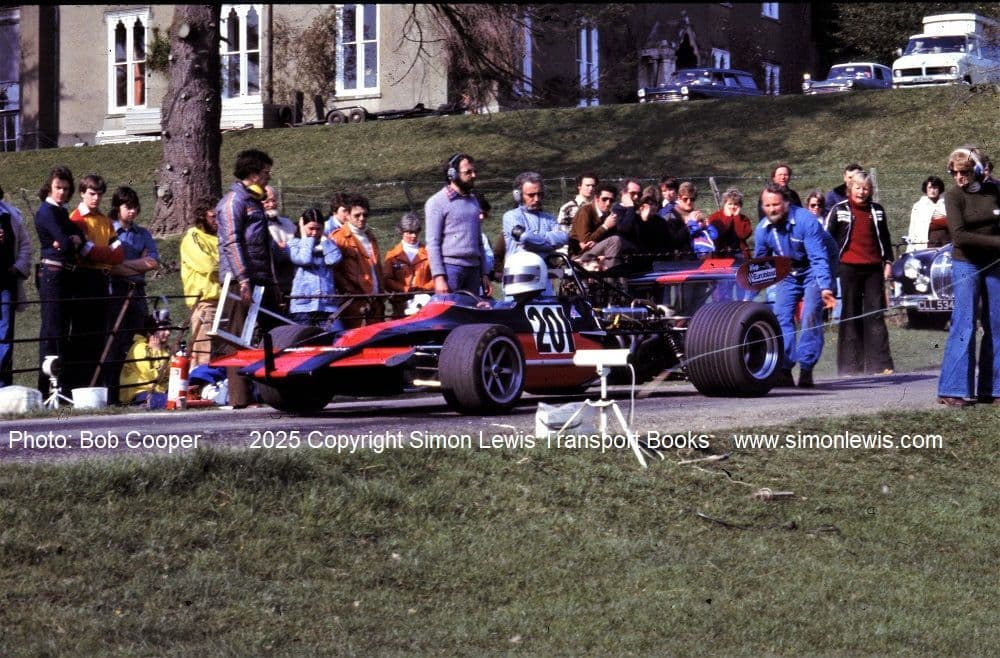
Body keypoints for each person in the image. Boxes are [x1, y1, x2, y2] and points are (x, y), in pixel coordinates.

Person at [754, 183, 838, 388]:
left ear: (786, 203)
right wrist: (751, 290)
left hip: (814, 267)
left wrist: (826, 287)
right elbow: (760, 264)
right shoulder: (762, 230)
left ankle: (807, 368)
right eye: (767, 205)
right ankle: (784, 369)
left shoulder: (806, 221)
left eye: (775, 204)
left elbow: (818, 257)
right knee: (781, 316)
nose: (771, 209)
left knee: (810, 314)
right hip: (788, 271)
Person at [936, 146, 1000, 407]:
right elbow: (959, 235)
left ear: (977, 171)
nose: (958, 177)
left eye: (964, 172)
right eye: (954, 173)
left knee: (997, 323)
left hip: (994, 264)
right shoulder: (953, 196)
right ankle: (952, 389)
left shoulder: (995, 191)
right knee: (964, 323)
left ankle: (992, 389)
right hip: (966, 263)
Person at [216, 148, 280, 408]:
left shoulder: (255, 202)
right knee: (238, 337)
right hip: (240, 280)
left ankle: (276, 391)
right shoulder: (234, 202)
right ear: (253, 174)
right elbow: (232, 243)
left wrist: (271, 280)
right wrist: (243, 279)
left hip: (262, 278)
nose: (268, 177)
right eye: (266, 172)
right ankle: (240, 398)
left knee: (275, 334)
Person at [825, 171, 895, 377]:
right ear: (850, 189)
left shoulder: (877, 210)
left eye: (865, 188)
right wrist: (830, 266)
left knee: (875, 314)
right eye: (858, 188)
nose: (862, 192)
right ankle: (850, 367)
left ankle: (881, 365)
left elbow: (885, 237)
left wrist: (888, 262)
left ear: (870, 190)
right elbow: (827, 239)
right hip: (848, 268)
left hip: (873, 269)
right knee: (850, 314)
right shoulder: (839, 210)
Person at [68, 174, 123, 392]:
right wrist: (104, 252)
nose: (96, 198)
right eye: (91, 193)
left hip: (102, 279)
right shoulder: (76, 219)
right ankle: (77, 385)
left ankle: (95, 386)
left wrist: (100, 253)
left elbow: (119, 254)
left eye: (99, 194)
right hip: (83, 279)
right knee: (82, 334)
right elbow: (85, 253)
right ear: (82, 193)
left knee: (99, 334)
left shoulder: (105, 220)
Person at [34, 165, 84, 397]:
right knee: (52, 330)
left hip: (65, 274)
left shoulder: (61, 211)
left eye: (65, 188)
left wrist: (69, 240)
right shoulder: (46, 211)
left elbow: (79, 237)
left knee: (62, 329)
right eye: (58, 187)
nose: (62, 192)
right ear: (50, 187)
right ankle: (47, 388)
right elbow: (65, 243)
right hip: (52, 275)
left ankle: (58, 386)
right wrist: (67, 241)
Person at [107, 185, 159, 403]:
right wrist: (139, 263)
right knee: (115, 341)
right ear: (117, 207)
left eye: (135, 207)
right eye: (128, 207)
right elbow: (110, 267)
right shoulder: (109, 231)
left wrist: (125, 265)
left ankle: (135, 390)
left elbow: (153, 262)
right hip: (115, 291)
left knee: (137, 338)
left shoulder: (142, 233)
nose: (133, 211)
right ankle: (113, 394)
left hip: (137, 291)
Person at [424, 153, 489, 295]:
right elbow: (432, 243)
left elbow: (479, 241)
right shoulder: (436, 202)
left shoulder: (474, 201)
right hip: (450, 270)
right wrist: (439, 277)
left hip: (473, 271)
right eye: (468, 172)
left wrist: (484, 273)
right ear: (452, 174)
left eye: (474, 171)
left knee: (471, 309)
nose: (473, 175)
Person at [332, 194, 384, 328]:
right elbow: (334, 270)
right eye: (357, 215)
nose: (362, 218)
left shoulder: (370, 236)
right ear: (347, 215)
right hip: (355, 302)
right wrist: (350, 290)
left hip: (376, 299)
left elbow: (376, 267)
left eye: (365, 215)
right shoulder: (339, 237)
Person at [288, 207, 344, 329]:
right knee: (305, 339)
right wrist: (305, 238)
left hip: (327, 305)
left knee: (334, 336)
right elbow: (304, 259)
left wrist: (324, 239)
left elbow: (333, 259)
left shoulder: (328, 244)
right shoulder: (294, 244)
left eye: (318, 229)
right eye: (311, 228)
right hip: (302, 305)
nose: (314, 233)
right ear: (302, 226)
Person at [180, 204, 220, 368]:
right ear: (202, 217)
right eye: (213, 217)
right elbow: (207, 265)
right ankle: (199, 380)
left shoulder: (220, 238)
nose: (217, 220)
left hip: (224, 300)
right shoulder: (192, 237)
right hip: (205, 303)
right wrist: (225, 264)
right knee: (204, 354)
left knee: (222, 354)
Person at [0, 184, 32, 387]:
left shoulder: (10, 215)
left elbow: (26, 244)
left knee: (4, 337)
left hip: (5, 283)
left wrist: (17, 267)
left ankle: (3, 388)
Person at [502, 171, 568, 260]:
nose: (537, 199)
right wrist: (550, 243)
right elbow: (524, 237)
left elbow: (563, 238)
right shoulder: (511, 216)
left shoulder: (550, 218)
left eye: (539, 194)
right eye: (531, 195)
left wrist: (533, 239)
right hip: (520, 267)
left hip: (546, 267)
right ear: (518, 195)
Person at [382, 212, 434, 319]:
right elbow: (387, 280)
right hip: (400, 306)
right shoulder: (392, 254)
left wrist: (424, 289)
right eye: (410, 232)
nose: (414, 236)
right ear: (401, 232)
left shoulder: (429, 253)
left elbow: (437, 277)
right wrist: (405, 289)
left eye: (416, 231)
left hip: (425, 305)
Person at [118, 313, 171, 409]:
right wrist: (157, 351)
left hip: (157, 391)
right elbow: (153, 378)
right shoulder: (139, 348)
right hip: (138, 393)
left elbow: (170, 374)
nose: (168, 333)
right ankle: (137, 405)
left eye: (169, 329)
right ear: (152, 330)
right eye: (164, 329)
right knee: (173, 402)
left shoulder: (164, 349)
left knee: (181, 397)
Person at [264, 184, 296, 310]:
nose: (271, 204)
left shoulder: (287, 223)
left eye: (273, 200)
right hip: (272, 283)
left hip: (291, 281)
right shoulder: (258, 226)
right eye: (267, 201)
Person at [906, 176, 948, 251]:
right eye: (930, 188)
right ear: (926, 189)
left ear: (939, 189)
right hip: (926, 245)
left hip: (947, 244)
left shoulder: (947, 203)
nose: (932, 191)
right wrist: (910, 249)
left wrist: (934, 222)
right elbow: (913, 229)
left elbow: (952, 222)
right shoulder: (918, 206)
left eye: (935, 188)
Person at [708, 187, 753, 254]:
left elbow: (742, 235)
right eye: (730, 204)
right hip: (721, 252)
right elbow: (719, 235)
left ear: (740, 205)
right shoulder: (715, 217)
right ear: (724, 204)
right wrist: (728, 217)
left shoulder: (744, 219)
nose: (732, 207)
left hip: (739, 252)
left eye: (735, 204)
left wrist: (736, 217)